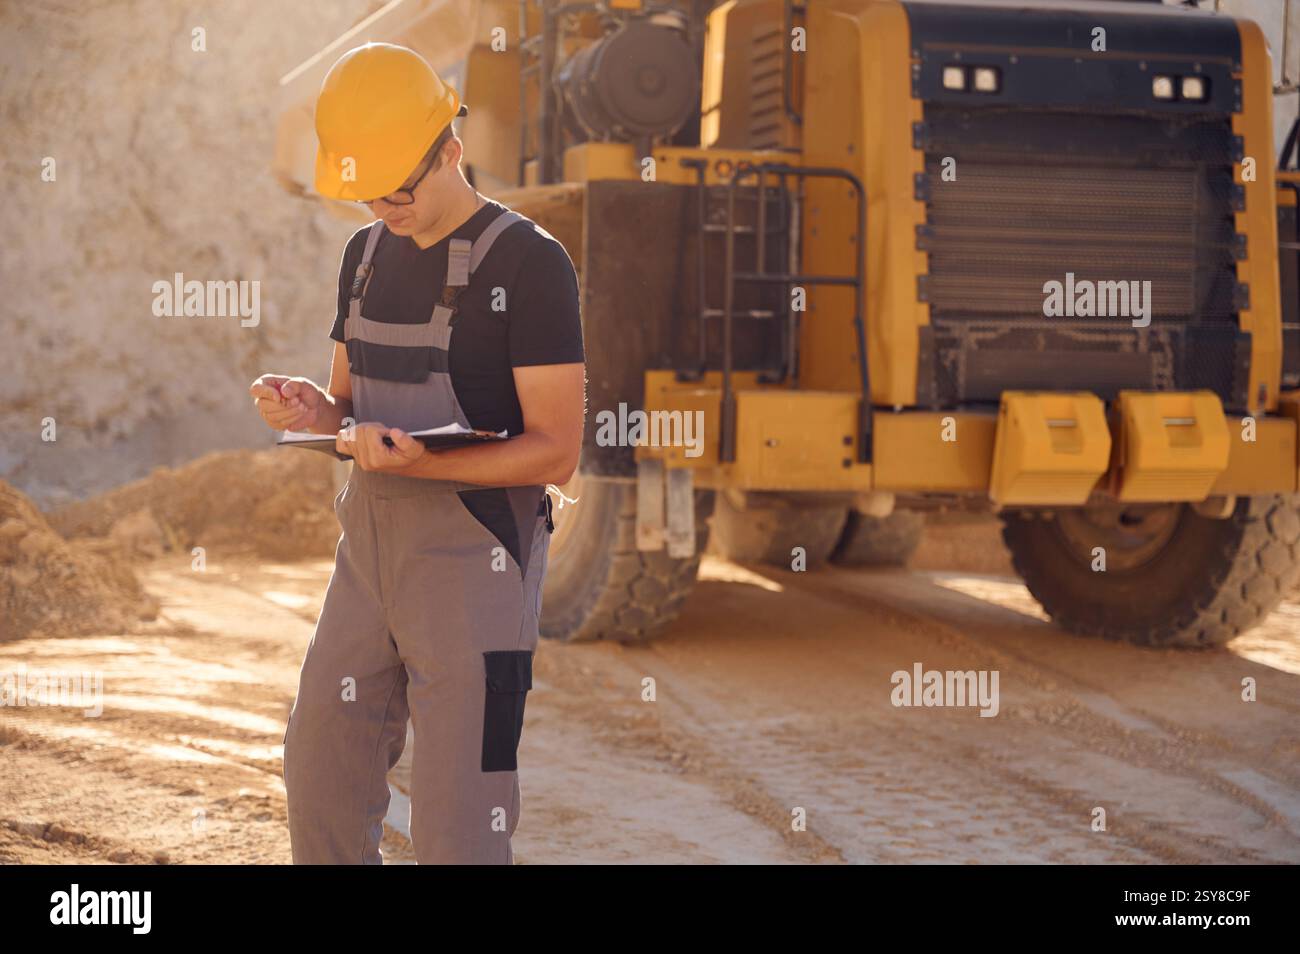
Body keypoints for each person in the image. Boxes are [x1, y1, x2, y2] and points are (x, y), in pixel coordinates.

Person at [249, 42, 586, 864]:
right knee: (320, 762)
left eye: (400, 187)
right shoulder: (362, 258)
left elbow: (558, 452)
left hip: (481, 564)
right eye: (366, 191)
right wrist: (312, 407)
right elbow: (350, 407)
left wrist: (419, 464)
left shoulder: (533, 266)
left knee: (461, 817)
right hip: (367, 553)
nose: (383, 206)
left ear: (451, 151)